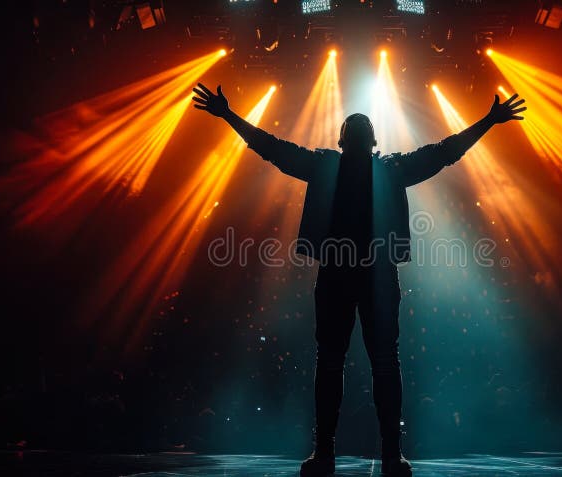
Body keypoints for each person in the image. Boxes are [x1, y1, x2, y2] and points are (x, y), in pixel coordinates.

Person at [192, 82, 525, 477]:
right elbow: (443, 153)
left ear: (350, 139)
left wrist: (488, 120)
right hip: (367, 277)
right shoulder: (379, 168)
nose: (360, 126)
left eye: (360, 124)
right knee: (369, 363)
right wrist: (488, 120)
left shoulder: (337, 166)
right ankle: (370, 454)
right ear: (364, 140)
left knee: (344, 363)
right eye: (358, 124)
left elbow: (272, 147)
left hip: (351, 275)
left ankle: (342, 454)